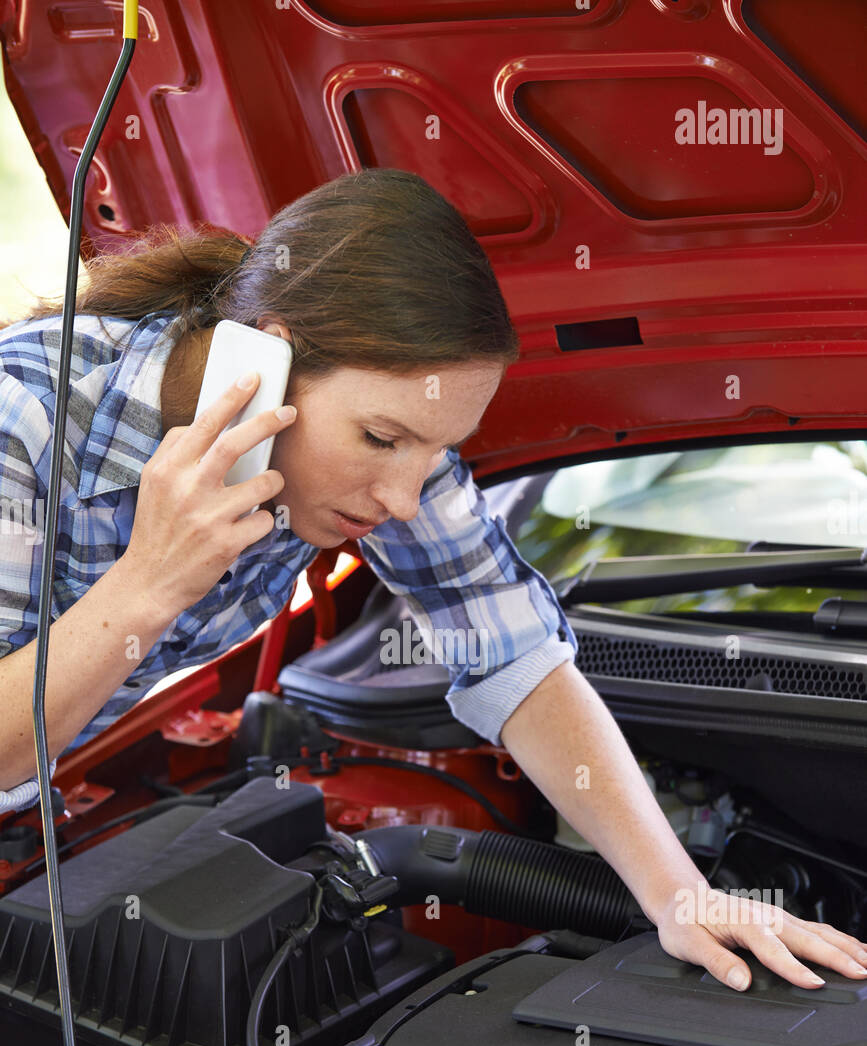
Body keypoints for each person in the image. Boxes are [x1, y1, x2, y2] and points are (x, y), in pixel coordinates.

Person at [1, 168, 864, 994]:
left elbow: (513, 655)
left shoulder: (390, 455)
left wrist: (680, 893)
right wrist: (147, 583)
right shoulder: (21, 424)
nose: (404, 496)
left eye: (434, 449)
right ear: (255, 370)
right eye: (381, 439)